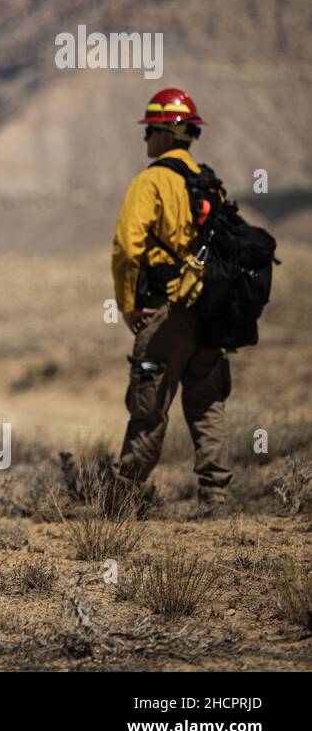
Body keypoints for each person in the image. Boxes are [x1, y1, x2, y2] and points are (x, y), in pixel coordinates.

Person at [111, 88, 232, 514]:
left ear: (165, 134)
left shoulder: (150, 182)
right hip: (209, 314)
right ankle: (216, 500)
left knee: (149, 407)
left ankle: (119, 504)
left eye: (149, 133)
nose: (146, 141)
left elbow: (127, 247)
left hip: (165, 313)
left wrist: (126, 304)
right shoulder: (208, 183)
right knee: (207, 404)